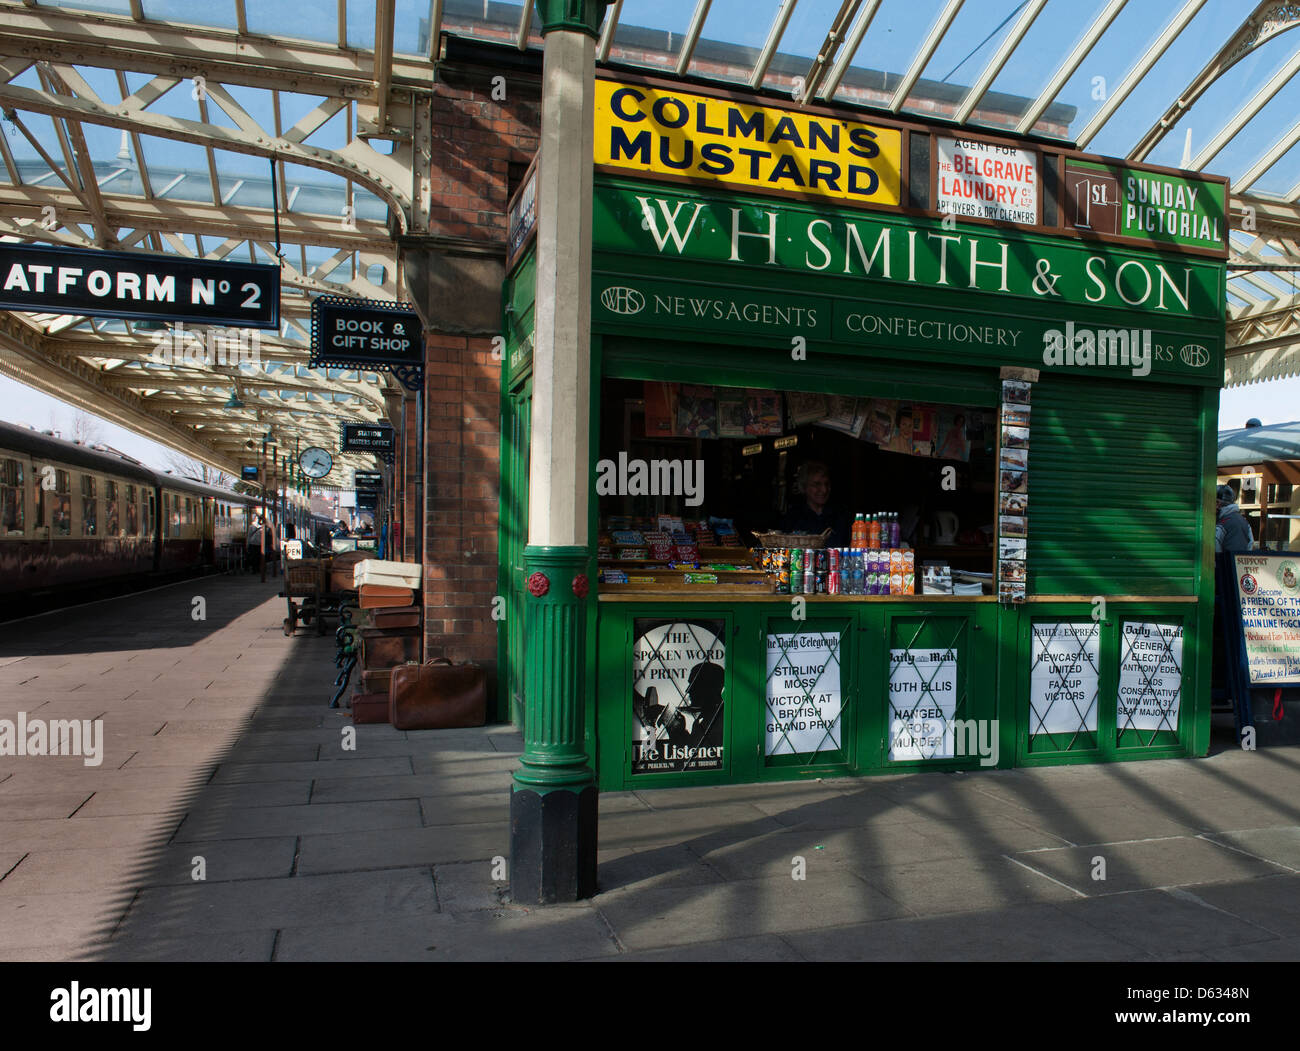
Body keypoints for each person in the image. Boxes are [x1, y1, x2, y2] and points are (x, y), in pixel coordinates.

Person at [781, 460, 849, 546]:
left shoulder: (841, 514)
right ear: (803, 487)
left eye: (827, 484)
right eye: (817, 484)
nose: (824, 490)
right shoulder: (793, 517)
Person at [1215, 484, 1254, 553]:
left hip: (1224, 562)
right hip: (1241, 562)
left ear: (1218, 503)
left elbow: (1216, 549)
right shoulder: (1244, 522)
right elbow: (1250, 545)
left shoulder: (1222, 523)